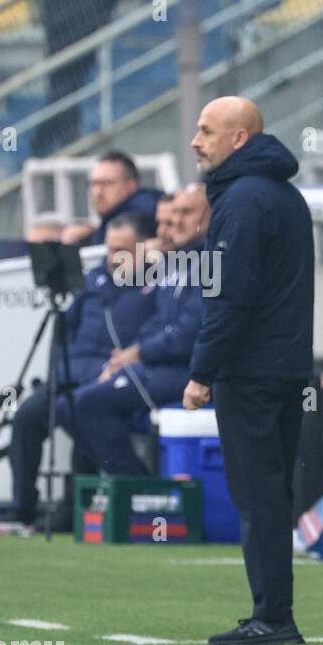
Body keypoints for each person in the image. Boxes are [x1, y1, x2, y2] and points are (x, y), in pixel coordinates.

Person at [183, 97, 315, 645]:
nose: (196, 140)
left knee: (257, 495)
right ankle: (272, 611)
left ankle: (273, 619)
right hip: (286, 367)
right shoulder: (282, 194)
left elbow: (229, 298)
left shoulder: (241, 201)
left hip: (252, 371)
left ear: (239, 139)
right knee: (271, 492)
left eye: (207, 131)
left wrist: (201, 371)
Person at [7, 214, 156, 526]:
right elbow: (63, 330)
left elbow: (149, 338)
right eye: (111, 250)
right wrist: (56, 370)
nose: (115, 258)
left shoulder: (154, 285)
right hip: (67, 375)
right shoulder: (91, 281)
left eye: (123, 250)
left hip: (105, 378)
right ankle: (23, 508)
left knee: (83, 412)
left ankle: (73, 506)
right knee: (25, 418)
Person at [69, 185, 208, 475]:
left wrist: (139, 354)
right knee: (76, 401)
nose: (175, 223)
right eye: (174, 214)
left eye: (187, 213)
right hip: (159, 365)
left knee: (89, 403)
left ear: (209, 216)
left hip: (188, 372)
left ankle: (139, 492)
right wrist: (127, 357)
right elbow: (159, 322)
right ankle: (98, 502)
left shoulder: (210, 262)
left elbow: (189, 333)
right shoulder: (177, 262)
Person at [88, 151, 162, 245]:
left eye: (107, 183)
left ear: (131, 185)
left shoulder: (140, 214)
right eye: (94, 184)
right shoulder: (112, 216)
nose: (98, 193)